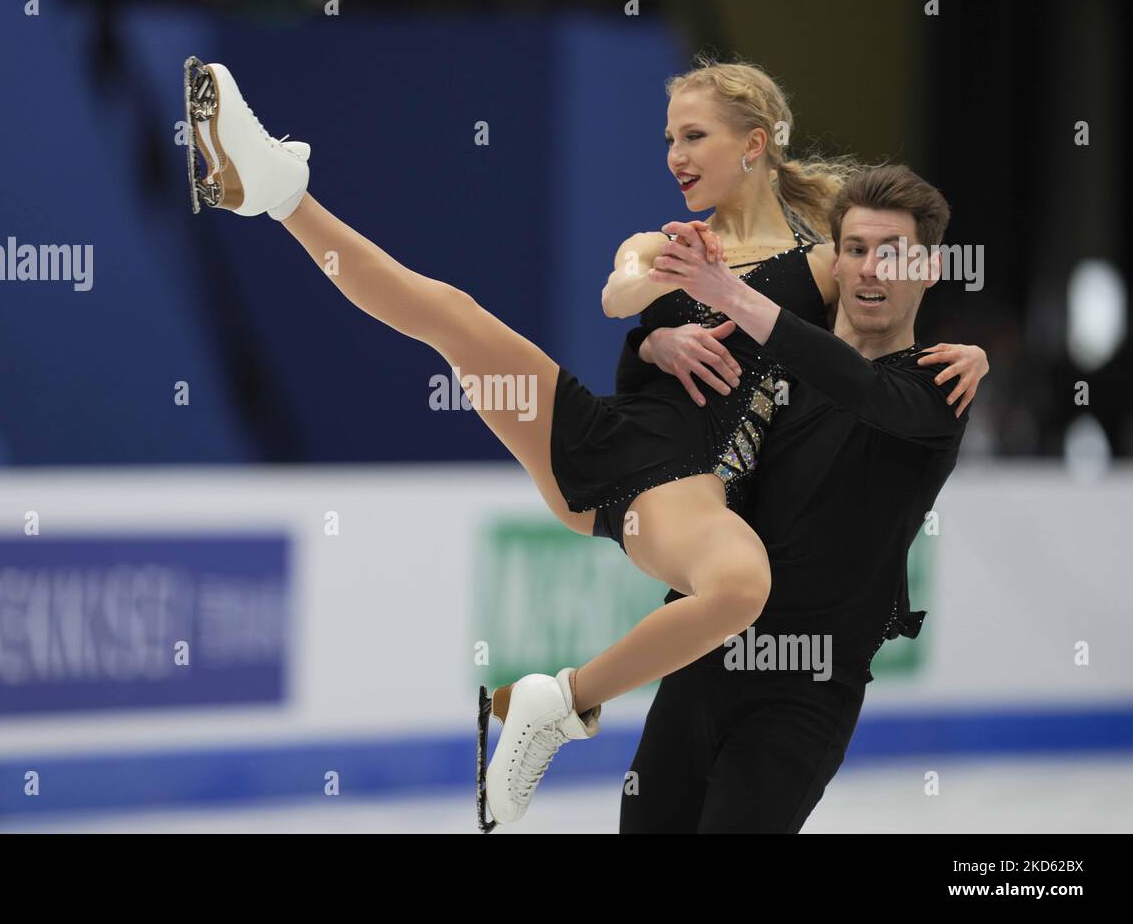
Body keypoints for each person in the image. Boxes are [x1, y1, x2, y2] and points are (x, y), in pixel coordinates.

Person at [179, 55, 987, 829]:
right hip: (600, 444)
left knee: (741, 587)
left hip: (683, 483)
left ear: (755, 143)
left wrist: (967, 349)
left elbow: (874, 310)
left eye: (694, 135)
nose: (675, 154)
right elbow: (619, 292)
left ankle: (556, 704)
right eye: (669, 137)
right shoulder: (665, 241)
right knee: (452, 316)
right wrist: (658, 322)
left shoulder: (819, 268)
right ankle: (283, 197)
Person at [616, 164, 978, 831]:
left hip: (805, 692)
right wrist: (654, 345)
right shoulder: (773, 364)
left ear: (930, 269)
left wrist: (728, 292)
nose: (871, 269)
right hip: (701, 659)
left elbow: (858, 387)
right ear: (834, 263)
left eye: (894, 254)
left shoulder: (937, 389)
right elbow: (649, 406)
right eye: (857, 250)